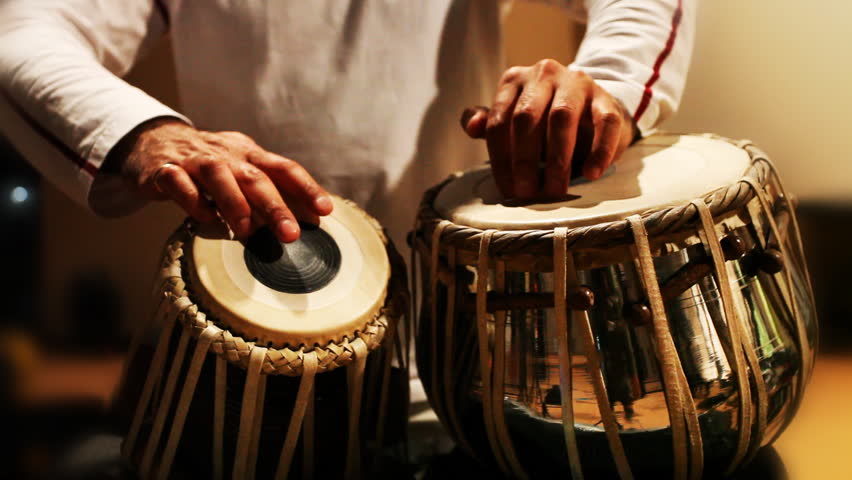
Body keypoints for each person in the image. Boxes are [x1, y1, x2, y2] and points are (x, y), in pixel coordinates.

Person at [0, 1, 694, 249]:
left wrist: (602, 83)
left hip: (461, 338)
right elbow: (22, 33)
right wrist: (148, 136)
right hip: (239, 338)